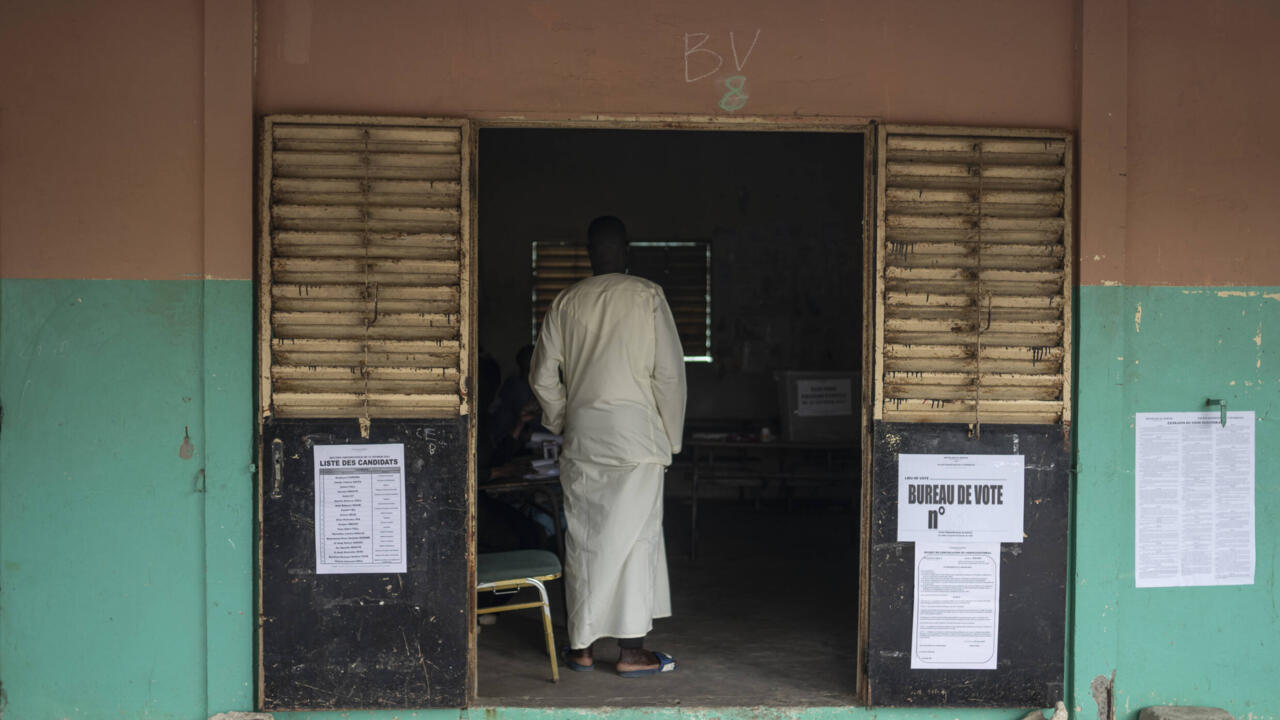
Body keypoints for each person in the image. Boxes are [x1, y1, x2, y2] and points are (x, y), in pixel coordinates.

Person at [529, 215, 687, 677]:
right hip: (636, 440)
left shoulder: (566, 301)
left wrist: (563, 416)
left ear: (589, 252)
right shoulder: (647, 295)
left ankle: (580, 648)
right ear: (627, 250)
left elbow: (541, 375)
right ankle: (631, 653)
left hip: (584, 439)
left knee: (585, 542)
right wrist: (670, 438)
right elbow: (669, 376)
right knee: (636, 543)